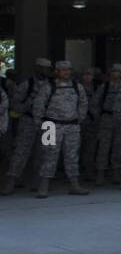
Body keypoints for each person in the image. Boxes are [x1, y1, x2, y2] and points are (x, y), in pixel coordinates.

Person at [31, 60, 89, 198]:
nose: (66, 72)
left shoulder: (77, 86)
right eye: (63, 70)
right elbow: (39, 105)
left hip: (72, 125)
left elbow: (83, 104)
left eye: (68, 70)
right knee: (48, 156)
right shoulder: (48, 86)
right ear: (57, 71)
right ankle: (43, 186)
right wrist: (39, 123)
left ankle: (75, 185)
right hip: (50, 125)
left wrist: (79, 119)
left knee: (72, 156)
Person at [0, 57, 52, 195]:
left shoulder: (53, 85)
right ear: (37, 68)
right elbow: (14, 105)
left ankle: (39, 182)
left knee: (45, 153)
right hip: (28, 121)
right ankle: (11, 181)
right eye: (44, 68)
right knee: (20, 152)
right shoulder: (26, 85)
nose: (47, 70)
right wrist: (28, 103)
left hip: (48, 124)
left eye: (48, 68)